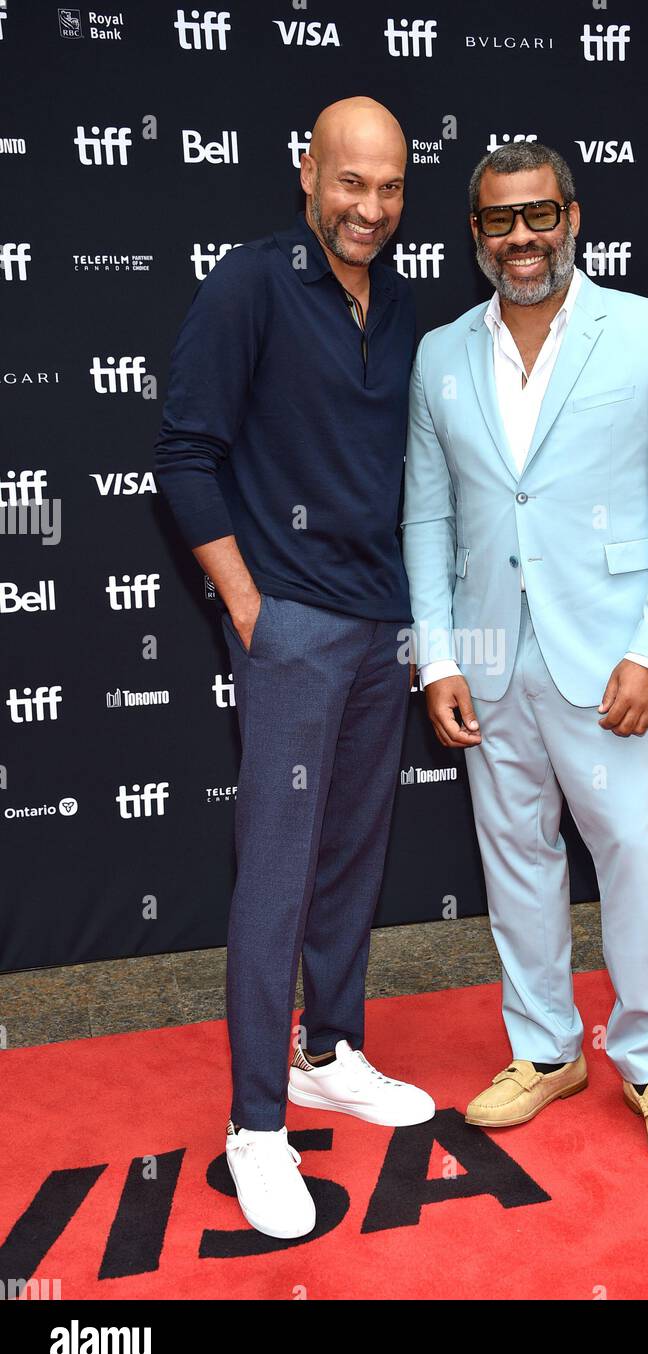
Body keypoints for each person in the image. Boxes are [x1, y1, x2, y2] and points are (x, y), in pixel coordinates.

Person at [153, 96, 435, 1241]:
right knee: (275, 869)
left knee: (352, 855)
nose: (368, 209)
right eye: (349, 183)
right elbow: (182, 452)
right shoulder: (251, 283)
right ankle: (255, 1123)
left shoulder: (409, 303)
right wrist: (248, 609)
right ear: (307, 176)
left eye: (389, 189)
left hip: (380, 625)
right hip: (292, 628)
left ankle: (329, 1051)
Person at [402, 142, 648, 1164]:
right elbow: (427, 520)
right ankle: (543, 1049)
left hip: (609, 656)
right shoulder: (441, 354)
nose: (522, 237)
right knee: (516, 856)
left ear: (571, 217)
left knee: (629, 850)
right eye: (500, 220)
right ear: (475, 235)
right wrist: (438, 657)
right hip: (490, 653)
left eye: (539, 215)